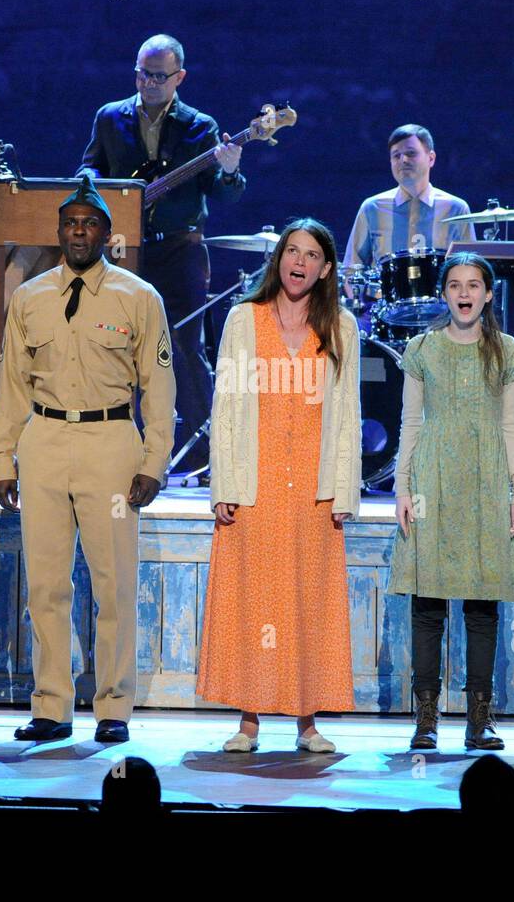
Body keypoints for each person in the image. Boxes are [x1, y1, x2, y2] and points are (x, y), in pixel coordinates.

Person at [0, 175, 176, 744]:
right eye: (70, 223)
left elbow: (159, 385)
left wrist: (154, 461)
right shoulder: (30, 295)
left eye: (89, 223)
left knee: (113, 584)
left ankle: (114, 707)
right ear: (58, 231)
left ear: (106, 233)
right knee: (45, 584)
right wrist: (3, 459)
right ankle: (51, 706)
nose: (78, 232)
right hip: (44, 441)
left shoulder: (138, 297)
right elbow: (12, 384)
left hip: (110, 443)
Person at [198, 218, 361, 753]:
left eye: (311, 254)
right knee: (253, 596)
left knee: (308, 599)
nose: (299, 261)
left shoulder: (341, 325)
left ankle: (307, 722)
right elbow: (224, 407)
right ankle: (248, 721)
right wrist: (222, 482)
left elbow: (348, 416)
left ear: (326, 267)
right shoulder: (245, 320)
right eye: (292, 251)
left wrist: (344, 491)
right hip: (257, 480)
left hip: (312, 486)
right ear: (279, 259)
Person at [77, 34, 244, 473]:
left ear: (179, 77)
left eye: (158, 76)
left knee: (185, 346)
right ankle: (115, 445)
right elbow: (87, 167)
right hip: (125, 249)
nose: (149, 83)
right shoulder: (110, 117)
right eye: (142, 74)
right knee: (114, 344)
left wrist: (229, 171)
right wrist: (108, 195)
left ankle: (203, 454)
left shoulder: (199, 126)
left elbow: (223, 195)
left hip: (180, 249)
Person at [390, 252, 514, 751]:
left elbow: (513, 425)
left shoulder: (506, 350)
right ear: (443, 293)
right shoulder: (422, 348)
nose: (464, 293)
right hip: (434, 477)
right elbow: (410, 422)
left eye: (474, 285)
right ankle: (426, 717)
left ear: (488, 293)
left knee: (482, 602)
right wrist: (403, 488)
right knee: (428, 602)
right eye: (454, 285)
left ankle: (479, 718)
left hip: (486, 478)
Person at [342, 124, 472, 270]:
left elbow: (471, 269)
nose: (403, 160)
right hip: (383, 294)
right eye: (396, 155)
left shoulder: (456, 209)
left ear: (431, 158)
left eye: (411, 153)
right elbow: (351, 269)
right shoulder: (372, 208)